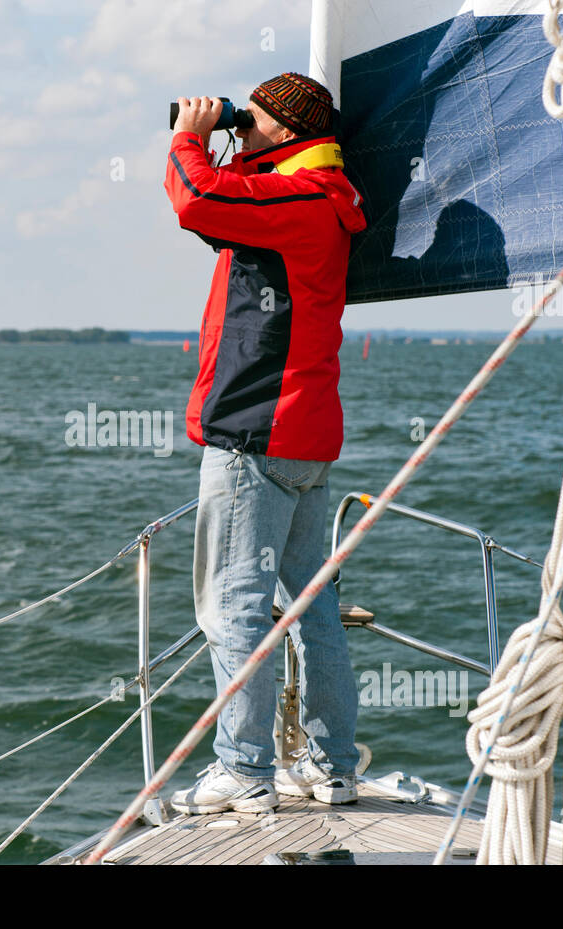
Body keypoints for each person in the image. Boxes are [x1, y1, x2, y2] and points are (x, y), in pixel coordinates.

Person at [163, 73, 368, 814]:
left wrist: (191, 135)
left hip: (257, 432)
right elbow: (229, 204)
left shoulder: (299, 203)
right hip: (306, 436)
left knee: (235, 606)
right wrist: (234, 140)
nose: (241, 124)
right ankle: (333, 765)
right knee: (310, 608)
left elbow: (198, 200)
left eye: (253, 117)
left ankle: (244, 771)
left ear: (284, 130)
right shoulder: (322, 197)